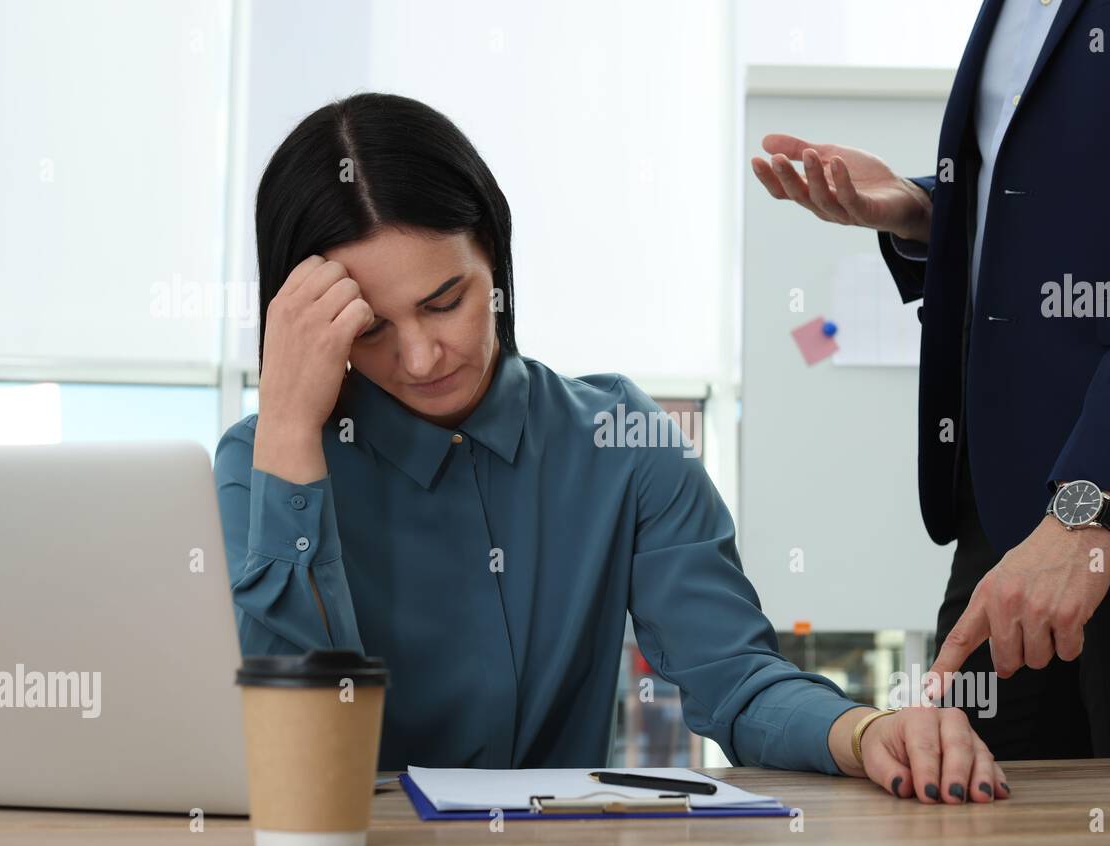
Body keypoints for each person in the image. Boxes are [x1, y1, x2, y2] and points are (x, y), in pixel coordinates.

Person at [214, 92, 1010, 803]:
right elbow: (283, 758)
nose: (421, 358)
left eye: (445, 301)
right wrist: (285, 430)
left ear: (492, 253)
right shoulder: (267, 464)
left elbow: (734, 677)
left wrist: (866, 732)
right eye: (372, 329)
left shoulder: (620, 438)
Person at [753, 0, 1110, 760]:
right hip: (1005, 528)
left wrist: (1091, 507)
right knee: (962, 801)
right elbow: (1082, 197)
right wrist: (931, 211)